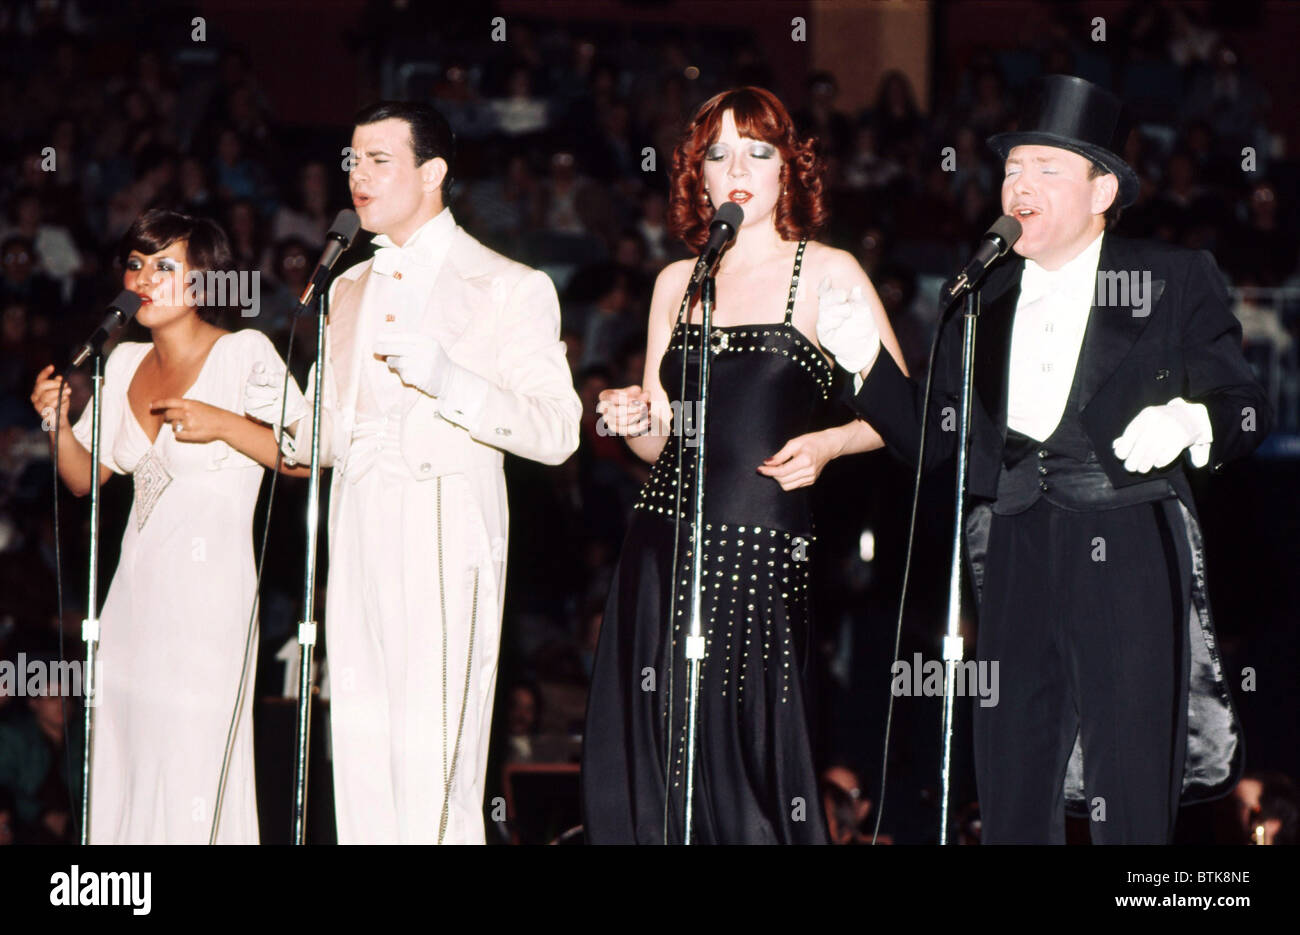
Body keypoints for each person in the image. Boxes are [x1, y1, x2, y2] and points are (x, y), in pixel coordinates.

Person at [818, 75, 1271, 843]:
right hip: (1015, 542)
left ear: (1102, 191)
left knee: (1129, 778)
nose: (1019, 186)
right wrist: (868, 365)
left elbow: (1246, 406)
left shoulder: (1170, 275)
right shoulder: (980, 294)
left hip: (1127, 537)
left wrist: (1193, 419)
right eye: (1011, 169)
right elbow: (939, 443)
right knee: (1012, 778)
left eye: (1045, 169)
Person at [245, 101, 581, 844]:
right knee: (362, 750)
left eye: (377, 160)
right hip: (359, 529)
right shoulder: (344, 287)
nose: (357, 177)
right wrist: (266, 396)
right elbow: (321, 440)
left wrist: (452, 380)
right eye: (351, 161)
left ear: (432, 173)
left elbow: (558, 432)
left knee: (436, 758)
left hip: (445, 527)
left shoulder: (507, 285)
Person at [581, 86, 907, 844]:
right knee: (656, 766)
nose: (738, 168)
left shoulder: (827, 272)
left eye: (758, 152)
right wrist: (631, 419)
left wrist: (827, 445)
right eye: (718, 153)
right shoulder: (676, 281)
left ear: (788, 170)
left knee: (748, 774)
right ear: (696, 175)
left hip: (758, 546)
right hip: (660, 552)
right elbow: (666, 439)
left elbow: (904, 418)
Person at [28, 208, 307, 843]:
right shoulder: (122, 363)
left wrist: (226, 425)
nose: (144, 279)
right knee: (130, 753)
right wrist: (57, 423)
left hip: (209, 597)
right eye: (136, 264)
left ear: (206, 283)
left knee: (191, 755)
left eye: (165, 267)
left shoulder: (244, 352)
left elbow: (310, 455)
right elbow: (83, 479)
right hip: (134, 596)